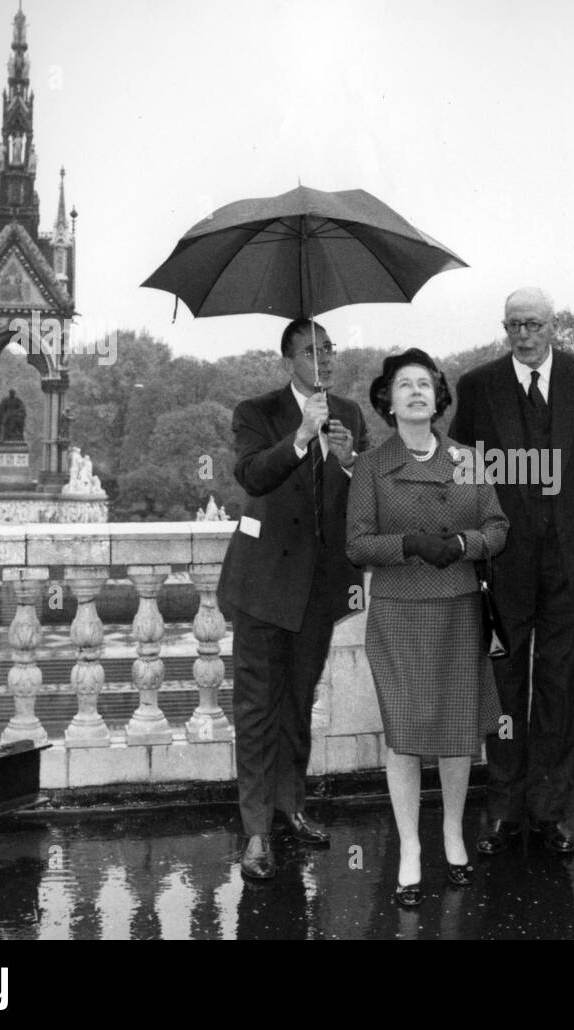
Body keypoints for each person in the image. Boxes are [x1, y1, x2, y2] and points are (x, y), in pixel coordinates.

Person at [347, 348, 508, 907]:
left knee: (459, 729)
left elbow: (497, 527)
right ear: (387, 401)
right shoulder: (370, 465)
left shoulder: (467, 458)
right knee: (407, 734)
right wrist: (409, 545)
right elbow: (357, 543)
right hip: (399, 610)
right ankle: (411, 847)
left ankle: (454, 836)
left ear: (438, 398)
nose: (416, 392)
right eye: (404, 385)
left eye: (425, 384)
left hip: (459, 607)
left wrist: (464, 544)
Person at [449, 287, 574, 856]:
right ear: (504, 328)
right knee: (505, 690)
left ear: (553, 325)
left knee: (560, 688)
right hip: (502, 565)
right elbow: (464, 472)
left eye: (534, 323)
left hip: (569, 563)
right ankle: (504, 810)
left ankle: (549, 811)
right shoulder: (477, 386)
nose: (523, 334)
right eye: (514, 324)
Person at [217, 319, 368, 881]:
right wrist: (302, 437)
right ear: (288, 361)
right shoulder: (255, 412)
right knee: (256, 709)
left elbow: (363, 503)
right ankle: (255, 833)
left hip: (319, 588)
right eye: (311, 350)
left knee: (298, 703)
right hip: (261, 586)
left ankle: (290, 808)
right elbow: (253, 476)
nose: (324, 358)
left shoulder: (350, 414)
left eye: (329, 348)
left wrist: (351, 464)